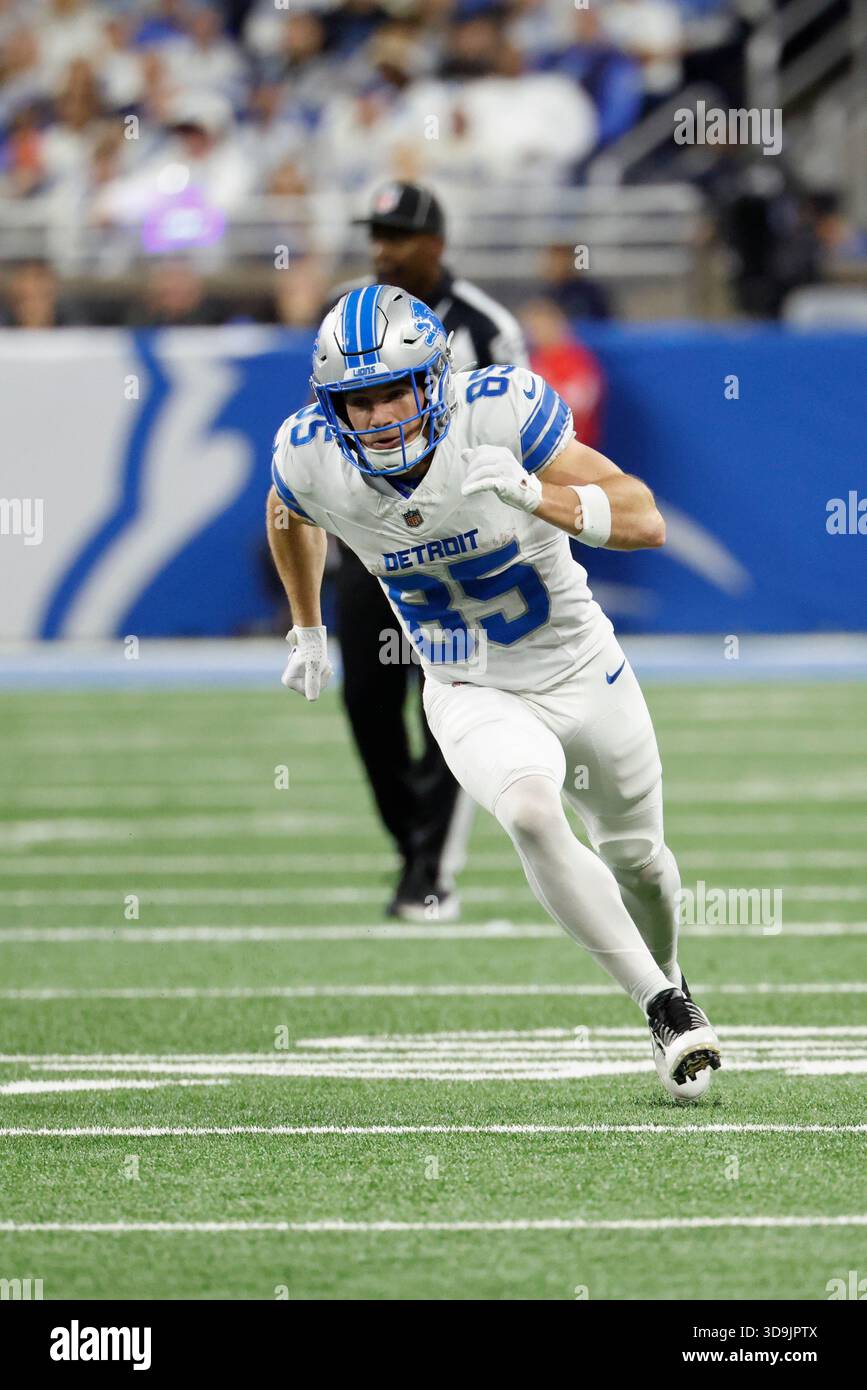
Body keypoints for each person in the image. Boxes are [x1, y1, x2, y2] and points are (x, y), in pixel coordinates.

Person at [265, 284, 722, 1102]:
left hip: (583, 669)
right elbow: (287, 512)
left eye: (391, 391)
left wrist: (534, 495)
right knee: (530, 811)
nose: (374, 417)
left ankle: (669, 970)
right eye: (354, 400)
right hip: (470, 684)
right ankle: (661, 1006)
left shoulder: (501, 411)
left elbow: (644, 517)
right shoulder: (309, 453)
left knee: (640, 863)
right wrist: (306, 626)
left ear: (434, 379)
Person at [330, 181, 529, 921]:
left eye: (398, 234)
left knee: (449, 701)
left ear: (436, 244)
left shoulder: (485, 325)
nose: (382, 248)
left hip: (459, 549)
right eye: (375, 233)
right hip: (370, 548)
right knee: (367, 706)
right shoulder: (347, 315)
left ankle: (426, 872)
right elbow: (320, 424)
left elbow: (525, 422)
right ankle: (410, 846)